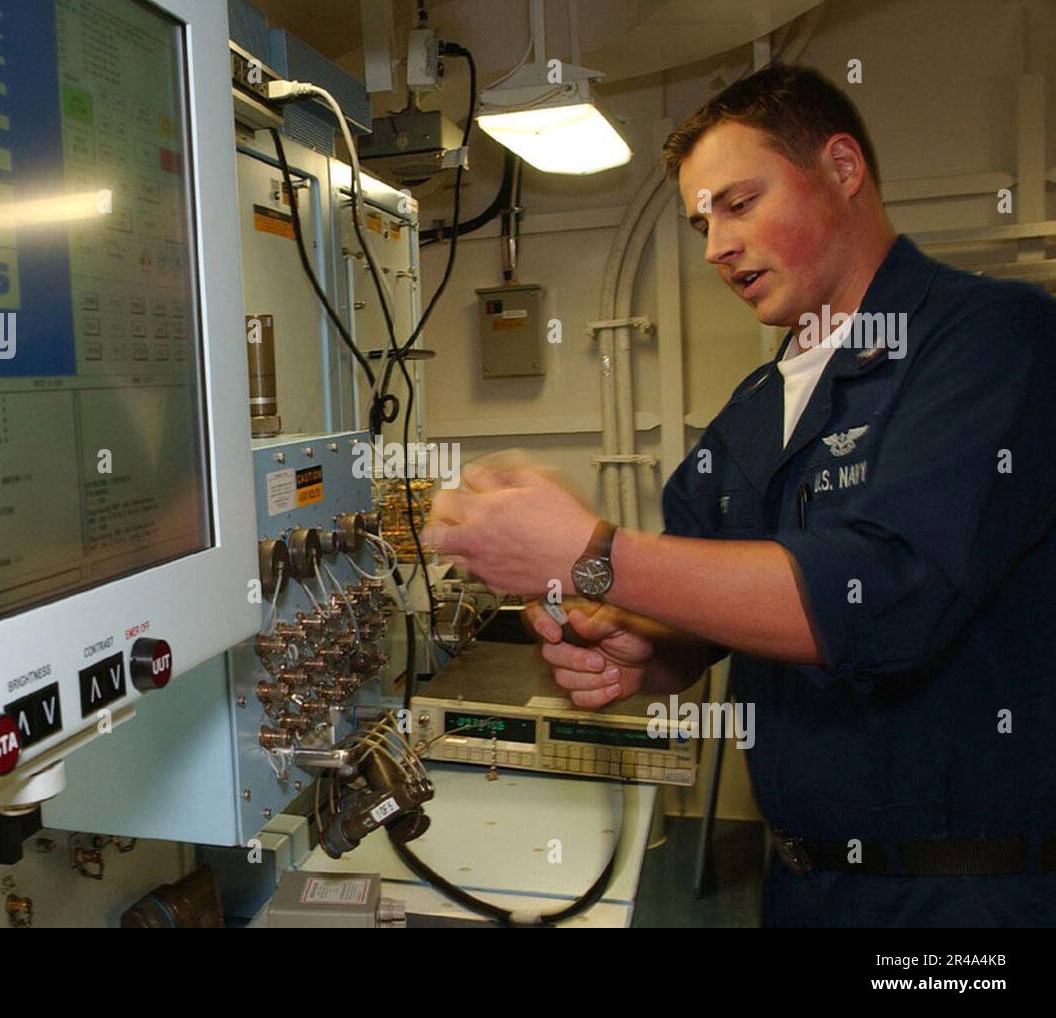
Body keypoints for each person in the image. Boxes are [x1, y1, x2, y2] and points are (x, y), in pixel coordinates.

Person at [421, 64, 1056, 927]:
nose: (715, 244)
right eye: (699, 220)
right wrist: (641, 649)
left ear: (841, 168)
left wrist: (594, 554)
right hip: (800, 882)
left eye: (739, 203)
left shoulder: (989, 341)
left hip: (963, 896)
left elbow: (888, 595)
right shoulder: (758, 411)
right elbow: (703, 613)